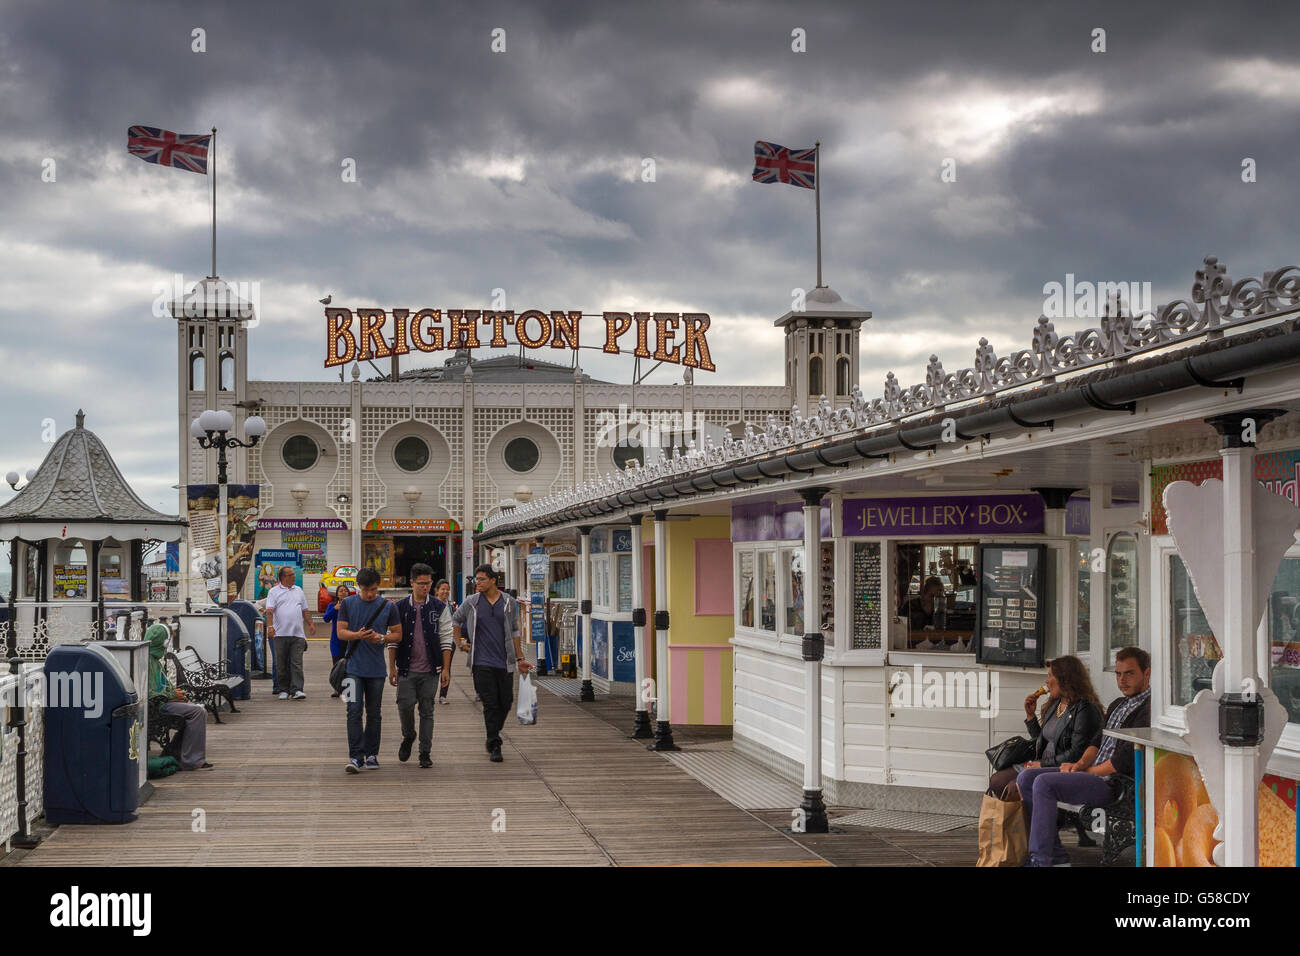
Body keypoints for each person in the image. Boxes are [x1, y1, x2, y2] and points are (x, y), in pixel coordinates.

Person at [1017, 647, 1152, 867]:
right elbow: (1096, 742)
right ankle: (1056, 856)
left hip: (1115, 784)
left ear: (1146, 674)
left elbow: (1122, 761)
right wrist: (1079, 764)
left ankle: (1043, 860)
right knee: (1026, 778)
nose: (1122, 680)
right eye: (1118, 674)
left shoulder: (1148, 710)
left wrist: (1085, 771)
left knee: (1043, 782)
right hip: (1093, 773)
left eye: (1129, 673)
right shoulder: (1119, 704)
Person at [452, 564, 533, 762]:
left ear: (493, 580)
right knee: (490, 703)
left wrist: (520, 658)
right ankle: (494, 743)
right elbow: (455, 620)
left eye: (481, 579)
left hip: (504, 661)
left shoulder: (509, 602)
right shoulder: (472, 602)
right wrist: (460, 643)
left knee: (505, 702)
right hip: (481, 661)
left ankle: (493, 733)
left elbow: (514, 631)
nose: (477, 583)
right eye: (476, 579)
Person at [337, 567, 401, 773]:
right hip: (351, 670)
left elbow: (398, 634)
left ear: (378, 586)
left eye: (373, 589)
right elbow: (341, 633)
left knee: (374, 713)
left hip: (376, 671)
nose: (370, 594)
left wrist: (381, 638)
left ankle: (372, 753)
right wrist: (357, 635)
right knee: (352, 712)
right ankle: (355, 756)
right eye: (365, 590)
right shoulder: (347, 603)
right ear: (358, 587)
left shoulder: (388, 606)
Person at [388, 564, 453, 768]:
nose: (425, 587)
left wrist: (446, 669)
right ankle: (408, 735)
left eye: (428, 583)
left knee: (427, 710)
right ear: (412, 583)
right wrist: (392, 668)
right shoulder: (399, 608)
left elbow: (446, 638)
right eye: (421, 583)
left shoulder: (439, 607)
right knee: (404, 705)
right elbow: (392, 639)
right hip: (406, 668)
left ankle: (425, 752)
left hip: (431, 669)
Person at [146, 623, 212, 770]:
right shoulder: (149, 661)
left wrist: (175, 694)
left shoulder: (150, 658)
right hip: (157, 707)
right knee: (198, 712)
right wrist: (173, 695)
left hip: (161, 703)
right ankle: (192, 760)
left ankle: (178, 753)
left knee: (195, 711)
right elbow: (152, 693)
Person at [266, 565, 316, 700]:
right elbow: (269, 611)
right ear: (283, 577)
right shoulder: (274, 592)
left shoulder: (299, 590)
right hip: (280, 634)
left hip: (298, 634)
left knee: (297, 663)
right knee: (281, 663)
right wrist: (270, 626)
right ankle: (284, 690)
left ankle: (297, 689)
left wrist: (310, 623)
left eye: (294, 574)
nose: (294, 576)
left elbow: (305, 610)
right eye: (291, 575)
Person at [323, 584, 351, 698]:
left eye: (345, 591)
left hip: (349, 639)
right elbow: (326, 619)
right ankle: (336, 689)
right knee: (337, 664)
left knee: (349, 665)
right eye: (341, 591)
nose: (343, 592)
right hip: (336, 640)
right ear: (337, 594)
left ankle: (349, 688)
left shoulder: (352, 605)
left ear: (348, 593)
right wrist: (335, 609)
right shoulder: (332, 605)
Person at [436, 579, 458, 704]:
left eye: (447, 589)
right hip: (434, 641)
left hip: (450, 641)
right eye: (442, 589)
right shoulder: (431, 604)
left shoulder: (452, 605)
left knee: (446, 667)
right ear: (437, 591)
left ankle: (443, 696)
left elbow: (458, 621)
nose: (445, 591)